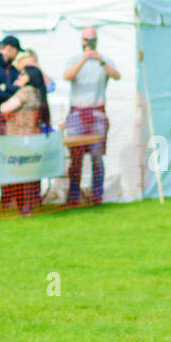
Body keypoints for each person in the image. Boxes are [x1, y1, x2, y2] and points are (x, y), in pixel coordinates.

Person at [62, 26, 120, 207]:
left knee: (97, 157)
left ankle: (97, 195)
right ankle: (73, 195)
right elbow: (67, 76)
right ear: (81, 41)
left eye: (92, 40)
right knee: (76, 156)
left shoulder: (105, 60)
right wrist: (84, 60)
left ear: (97, 41)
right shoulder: (74, 60)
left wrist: (100, 61)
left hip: (97, 113)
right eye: (86, 40)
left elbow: (117, 76)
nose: (88, 43)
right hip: (77, 113)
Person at [0, 64, 50, 217]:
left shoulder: (26, 92)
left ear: (30, 77)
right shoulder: (39, 93)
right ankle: (28, 207)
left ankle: (24, 208)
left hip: (19, 140)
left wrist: (6, 92)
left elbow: (4, 108)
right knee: (29, 176)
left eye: (22, 74)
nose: (18, 77)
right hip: (32, 139)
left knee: (20, 176)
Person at [0, 34, 21, 103]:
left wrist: (6, 87)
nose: (17, 55)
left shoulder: (12, 68)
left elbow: (21, 86)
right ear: (9, 48)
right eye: (17, 51)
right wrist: (15, 97)